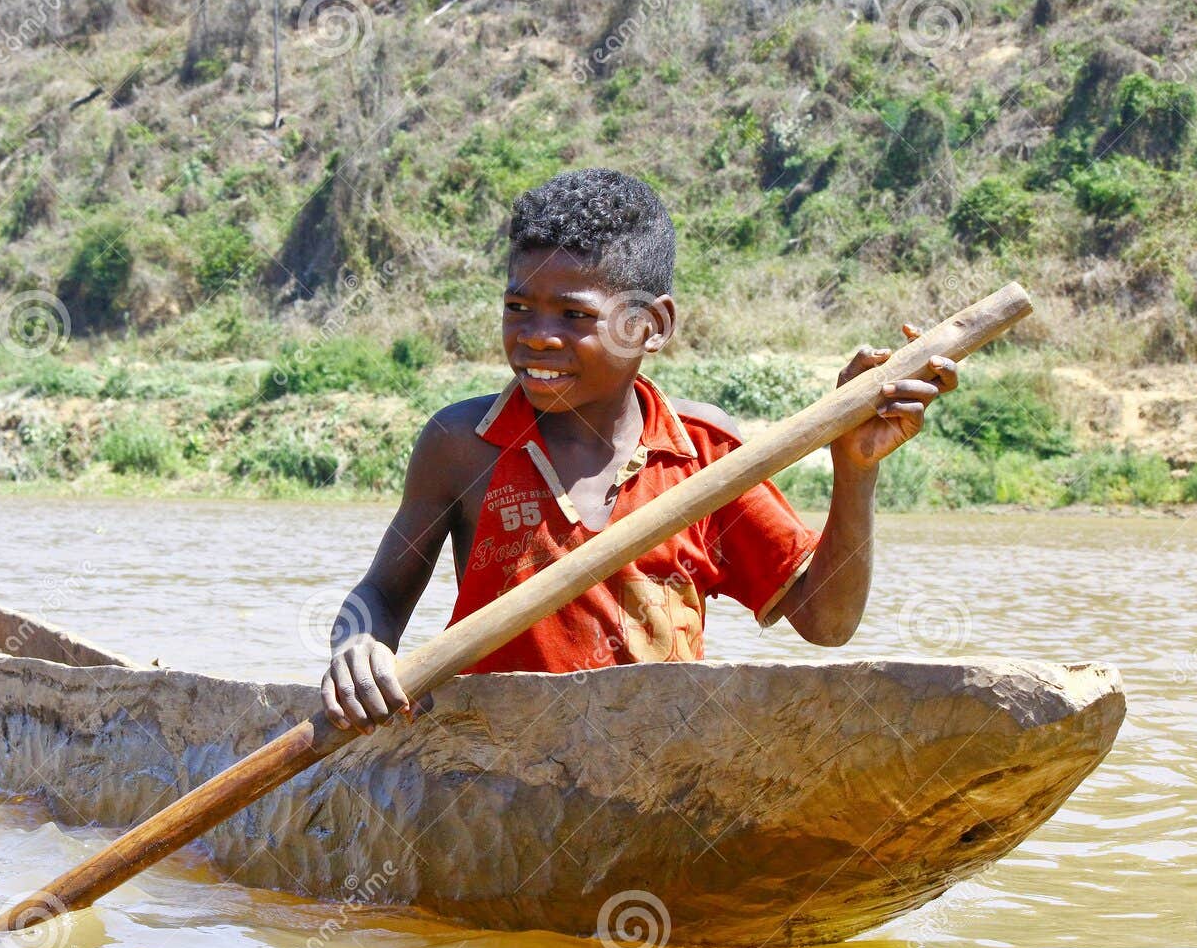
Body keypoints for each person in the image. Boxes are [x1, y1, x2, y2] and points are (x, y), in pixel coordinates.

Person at [319, 168, 961, 733]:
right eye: (519, 307)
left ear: (652, 325)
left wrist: (854, 469)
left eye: (573, 316)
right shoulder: (463, 445)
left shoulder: (708, 456)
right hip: (497, 774)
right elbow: (380, 594)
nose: (536, 338)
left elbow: (827, 623)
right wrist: (358, 645)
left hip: (655, 778)